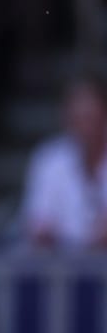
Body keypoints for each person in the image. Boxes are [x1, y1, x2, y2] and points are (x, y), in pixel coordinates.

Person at [20, 73, 107, 250]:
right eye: (78, 119)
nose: (85, 128)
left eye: (91, 119)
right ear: (67, 119)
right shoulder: (49, 159)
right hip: (61, 268)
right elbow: (38, 224)